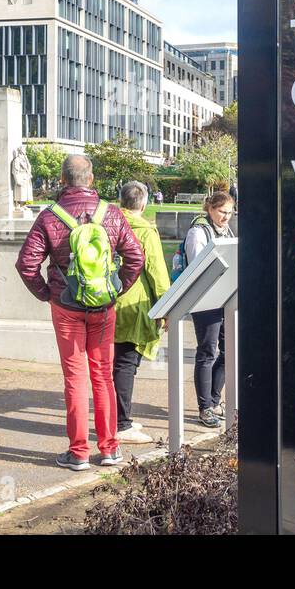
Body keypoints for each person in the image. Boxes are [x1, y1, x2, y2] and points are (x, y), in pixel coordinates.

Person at [16, 154, 144, 471]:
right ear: (91, 180)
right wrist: (116, 289)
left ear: (62, 180)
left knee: (74, 379)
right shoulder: (112, 214)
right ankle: (110, 448)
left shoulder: (49, 217)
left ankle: (78, 453)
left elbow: (26, 264)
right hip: (103, 308)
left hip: (67, 307)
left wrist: (49, 294)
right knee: (103, 377)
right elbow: (136, 259)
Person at [112, 181, 169, 444]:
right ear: (144, 203)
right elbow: (156, 272)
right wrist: (167, 306)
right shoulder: (145, 230)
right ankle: (121, 423)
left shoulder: (107, 223)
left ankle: (117, 418)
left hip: (106, 299)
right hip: (134, 303)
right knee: (125, 364)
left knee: (112, 363)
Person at [185, 191, 236, 428]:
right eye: (222, 212)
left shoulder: (227, 231)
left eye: (230, 212)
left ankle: (215, 401)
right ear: (210, 209)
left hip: (226, 297)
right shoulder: (199, 232)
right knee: (207, 352)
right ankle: (204, 407)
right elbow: (198, 267)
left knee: (229, 351)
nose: (226, 217)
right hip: (205, 300)